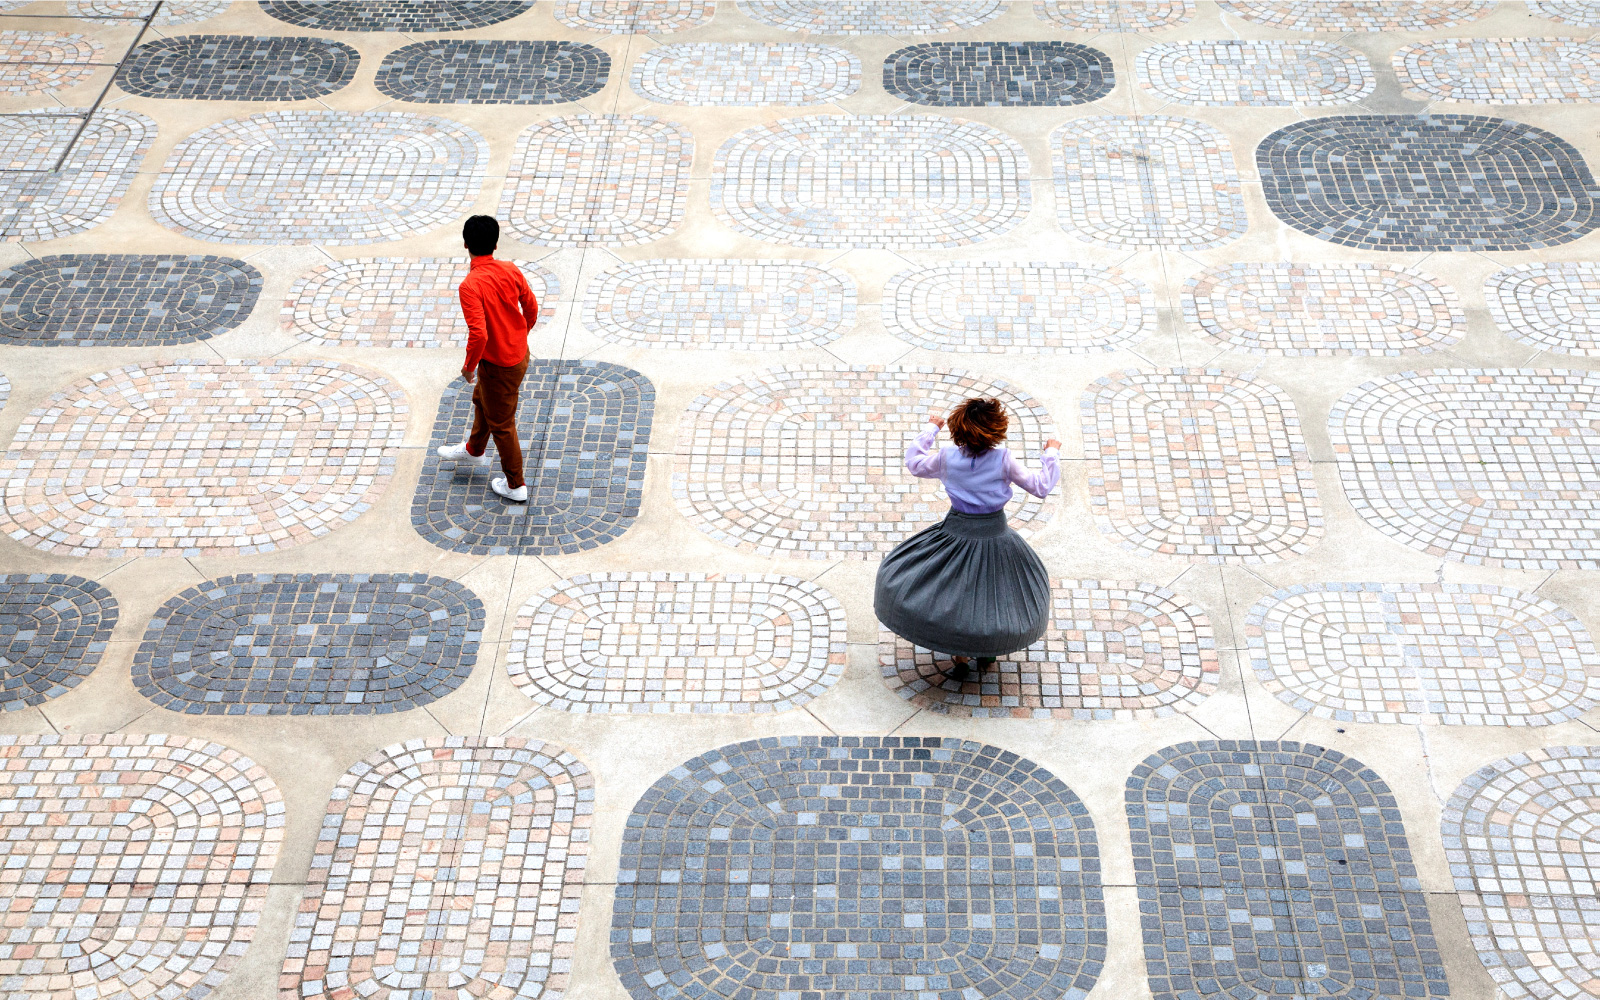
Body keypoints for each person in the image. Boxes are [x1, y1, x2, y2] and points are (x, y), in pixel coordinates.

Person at [874, 397, 1062, 671]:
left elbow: (914, 464)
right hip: (994, 534)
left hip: (955, 531)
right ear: (996, 431)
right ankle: (987, 654)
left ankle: (959, 654)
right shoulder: (1003, 460)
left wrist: (930, 429)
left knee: (955, 590)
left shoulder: (947, 457)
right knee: (994, 591)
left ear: (957, 429)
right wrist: (1051, 453)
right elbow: (1041, 486)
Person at [435, 215, 539, 503]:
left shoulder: (470, 285)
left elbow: (479, 334)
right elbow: (531, 306)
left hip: (498, 365)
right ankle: (474, 450)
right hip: (518, 355)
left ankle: (515, 484)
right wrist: (519, 335)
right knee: (483, 398)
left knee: (502, 425)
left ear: (465, 244)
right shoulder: (510, 269)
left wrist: (468, 367)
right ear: (495, 244)